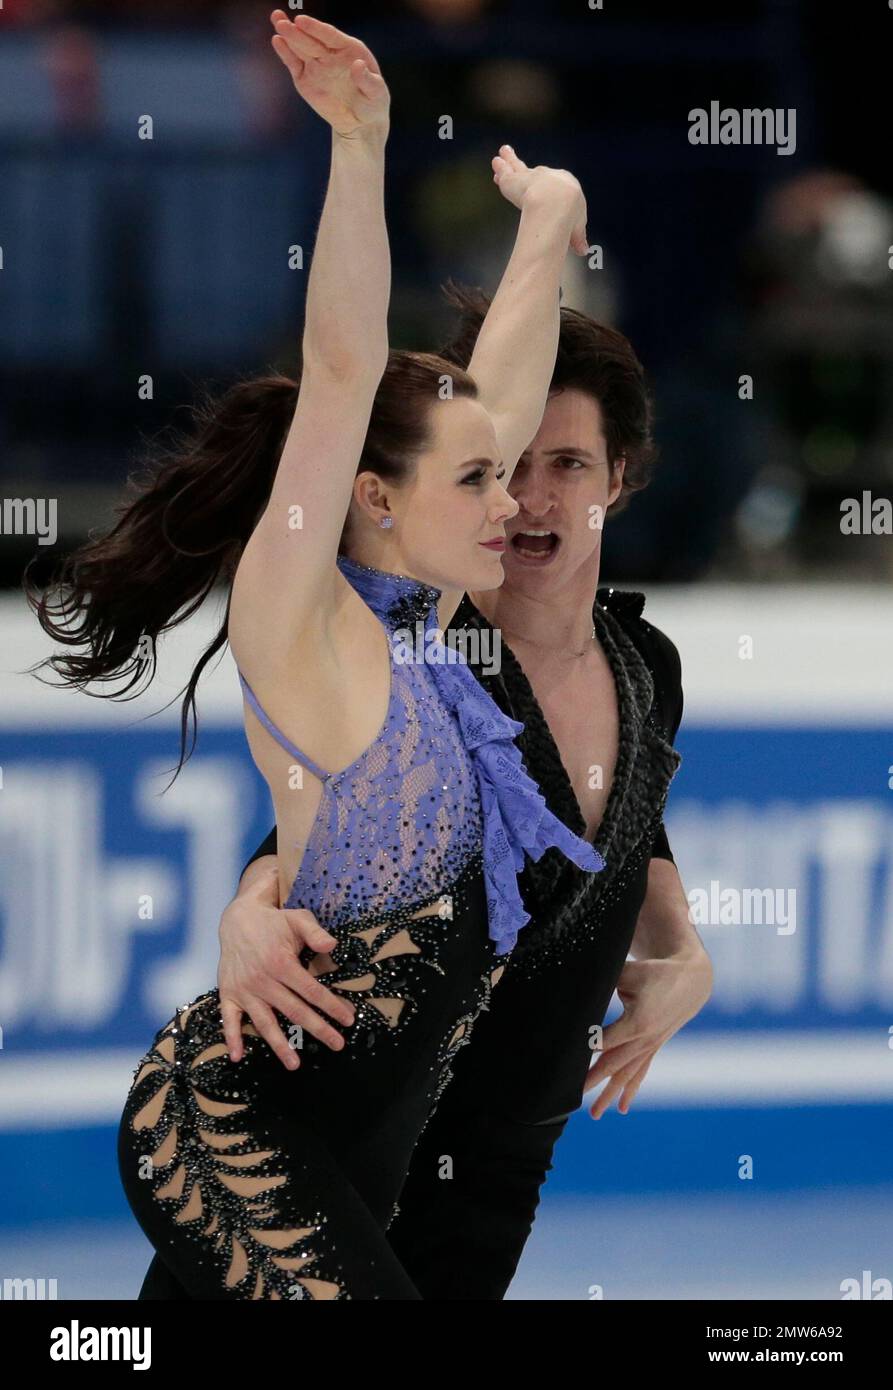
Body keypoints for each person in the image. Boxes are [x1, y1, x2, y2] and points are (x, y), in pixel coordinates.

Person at [26, 12, 605, 1300]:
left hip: (347, 1157)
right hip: (232, 1132)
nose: (508, 505)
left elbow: (499, 380)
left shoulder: (431, 631)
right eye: (475, 482)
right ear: (375, 500)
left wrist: (544, 224)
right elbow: (343, 368)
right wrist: (359, 143)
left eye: (500, 477)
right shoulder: (303, 617)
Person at [151, 292, 714, 1301]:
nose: (531, 500)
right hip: (364, 1116)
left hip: (501, 1157)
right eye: (508, 466)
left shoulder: (645, 666)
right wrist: (247, 910)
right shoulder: (431, 648)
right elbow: (327, 817)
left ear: (619, 481)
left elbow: (630, 825)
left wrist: (684, 950)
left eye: (569, 466)